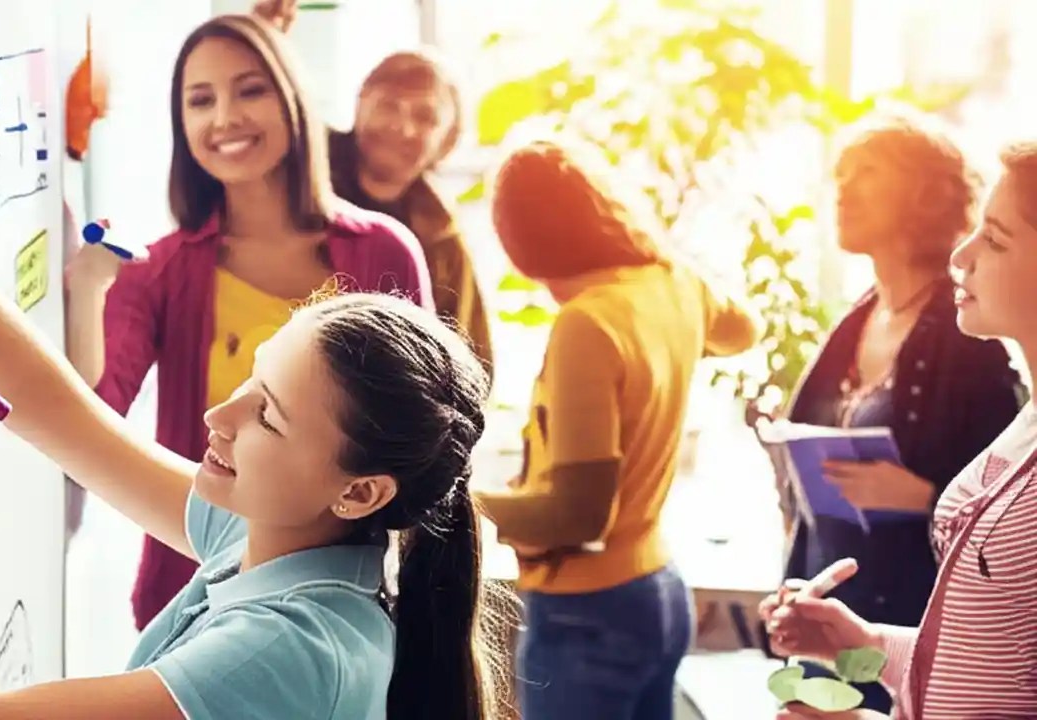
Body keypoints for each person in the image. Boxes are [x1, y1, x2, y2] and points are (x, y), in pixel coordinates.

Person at [0, 68, 506, 720]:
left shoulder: (287, 649)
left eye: (268, 417)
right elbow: (55, 410)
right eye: (253, 381)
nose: (218, 416)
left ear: (360, 491)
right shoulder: (281, 530)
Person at [63, 14, 435, 631]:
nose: (225, 118)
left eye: (250, 90)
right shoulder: (159, 271)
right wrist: (90, 287)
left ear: (291, 99)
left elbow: (418, 436)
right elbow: (90, 417)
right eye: (200, 100)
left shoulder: (384, 251)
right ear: (181, 126)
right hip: (193, 596)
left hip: (349, 594)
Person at [473, 140, 760, 718]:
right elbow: (743, 331)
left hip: (587, 614)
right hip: (658, 589)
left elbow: (580, 516)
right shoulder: (674, 282)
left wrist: (459, 503)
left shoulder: (588, 322)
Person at [761, 141, 1037, 720]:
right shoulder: (1025, 427)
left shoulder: (969, 360)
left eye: (996, 238)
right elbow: (984, 663)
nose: (963, 256)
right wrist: (867, 643)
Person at [251, 1, 494, 376]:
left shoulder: (442, 238)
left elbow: (469, 365)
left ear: (448, 140)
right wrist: (265, 39)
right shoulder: (303, 160)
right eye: (389, 104)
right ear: (361, 100)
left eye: (425, 116)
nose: (402, 126)